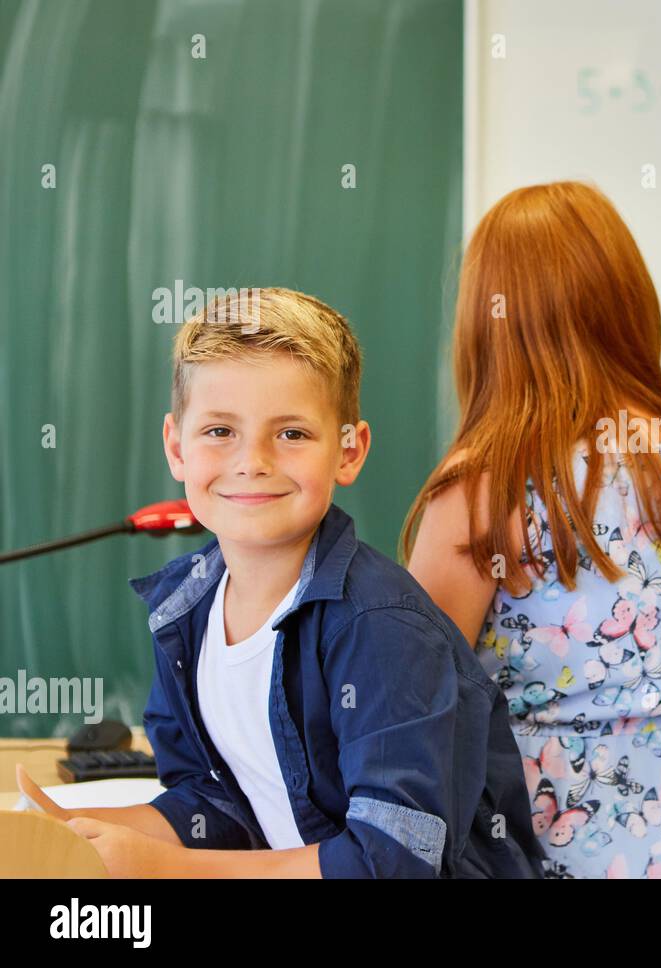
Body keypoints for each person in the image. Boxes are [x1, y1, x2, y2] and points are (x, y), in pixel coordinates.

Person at [19, 287, 543, 877]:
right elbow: (212, 803)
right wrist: (72, 833)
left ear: (349, 451)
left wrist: (168, 870)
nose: (253, 460)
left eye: (291, 433)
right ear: (176, 447)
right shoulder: (184, 609)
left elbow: (391, 860)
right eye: (219, 431)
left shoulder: (381, 629)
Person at [403, 182, 661, 878]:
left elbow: (412, 698)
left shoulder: (486, 487)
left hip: (541, 842)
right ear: (629, 303)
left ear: (487, 320)